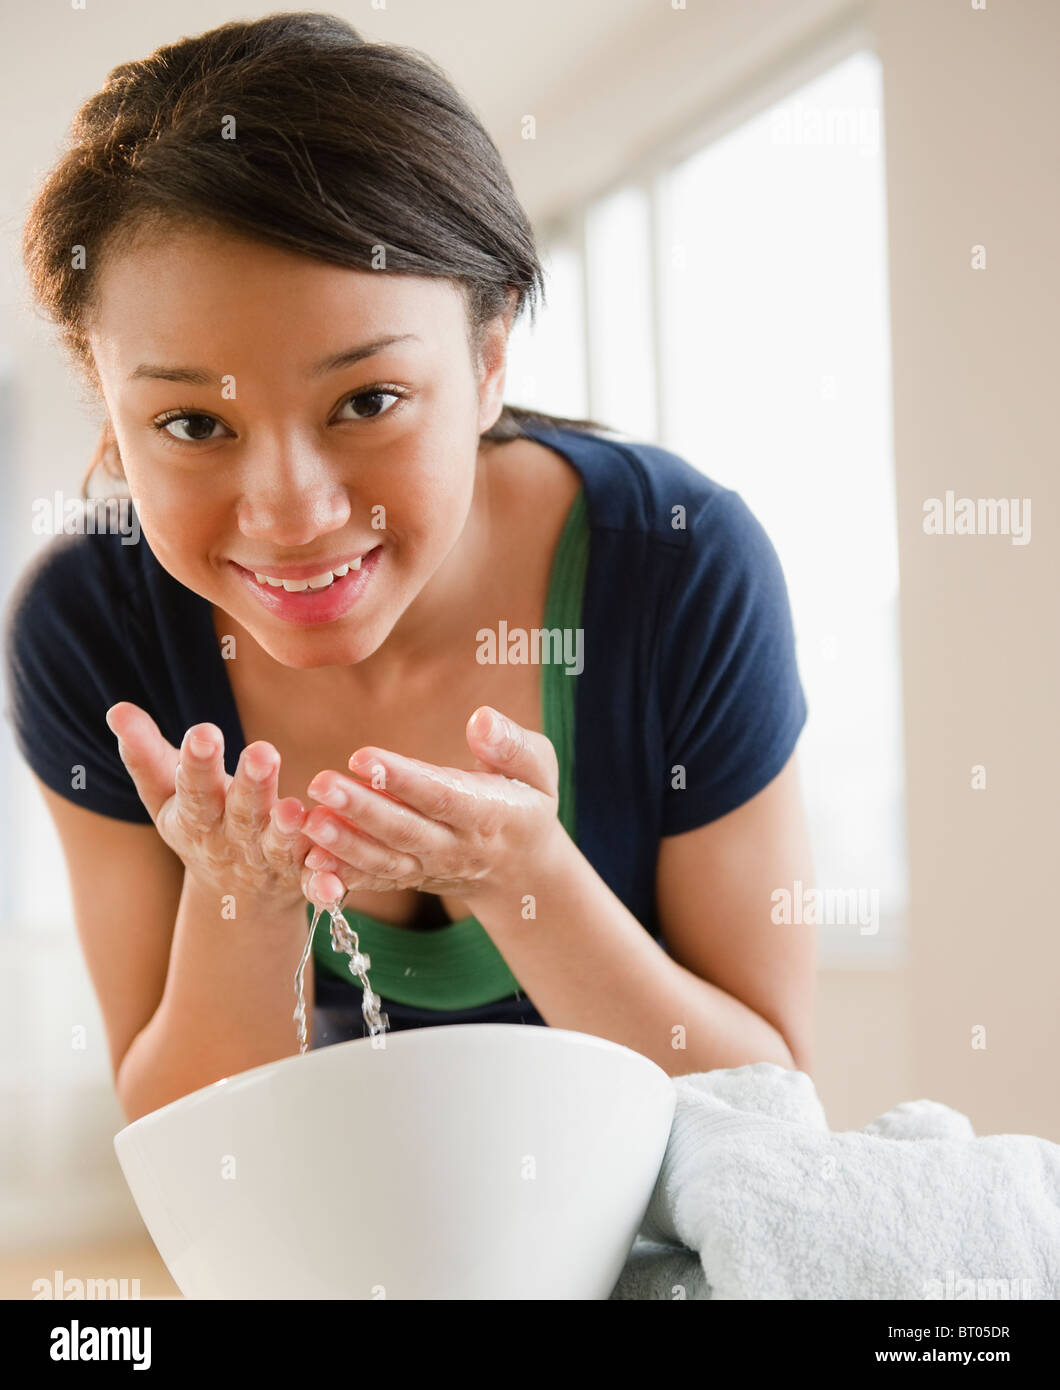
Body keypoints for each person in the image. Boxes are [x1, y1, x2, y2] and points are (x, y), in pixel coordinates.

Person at [4, 12, 816, 1125]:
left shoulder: (680, 568)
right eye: (191, 423)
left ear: (487, 365)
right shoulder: (90, 629)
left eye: (368, 401)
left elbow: (773, 1111)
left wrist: (529, 882)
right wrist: (242, 902)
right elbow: (186, 1152)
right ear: (112, 414)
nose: (291, 513)